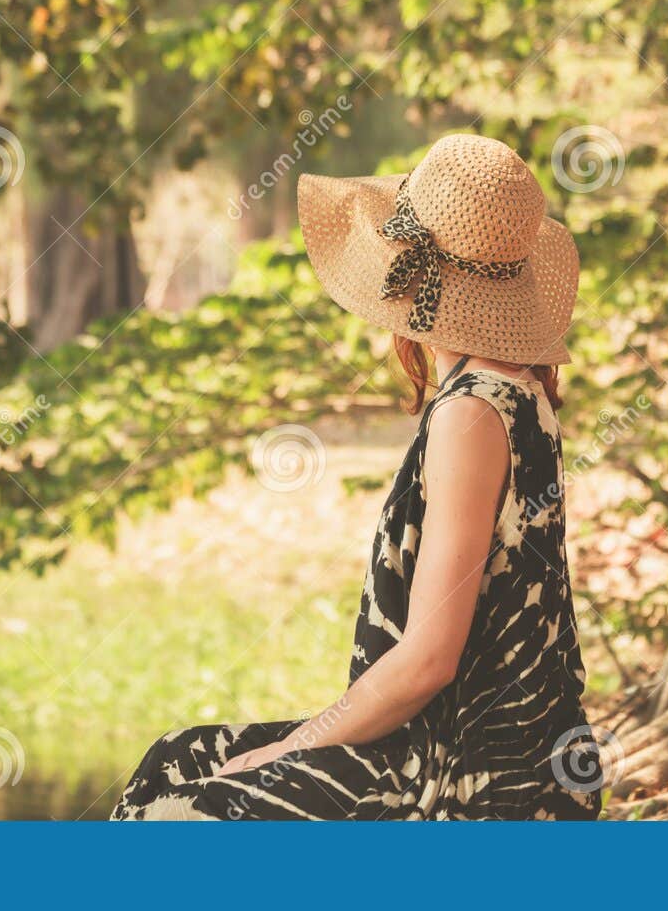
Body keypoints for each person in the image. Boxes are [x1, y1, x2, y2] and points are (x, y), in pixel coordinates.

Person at [111, 133, 600, 820]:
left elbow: (430, 660)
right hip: (494, 758)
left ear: (409, 271)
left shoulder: (471, 414)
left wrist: (294, 748)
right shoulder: (516, 387)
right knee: (178, 756)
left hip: (477, 784)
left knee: (174, 816)